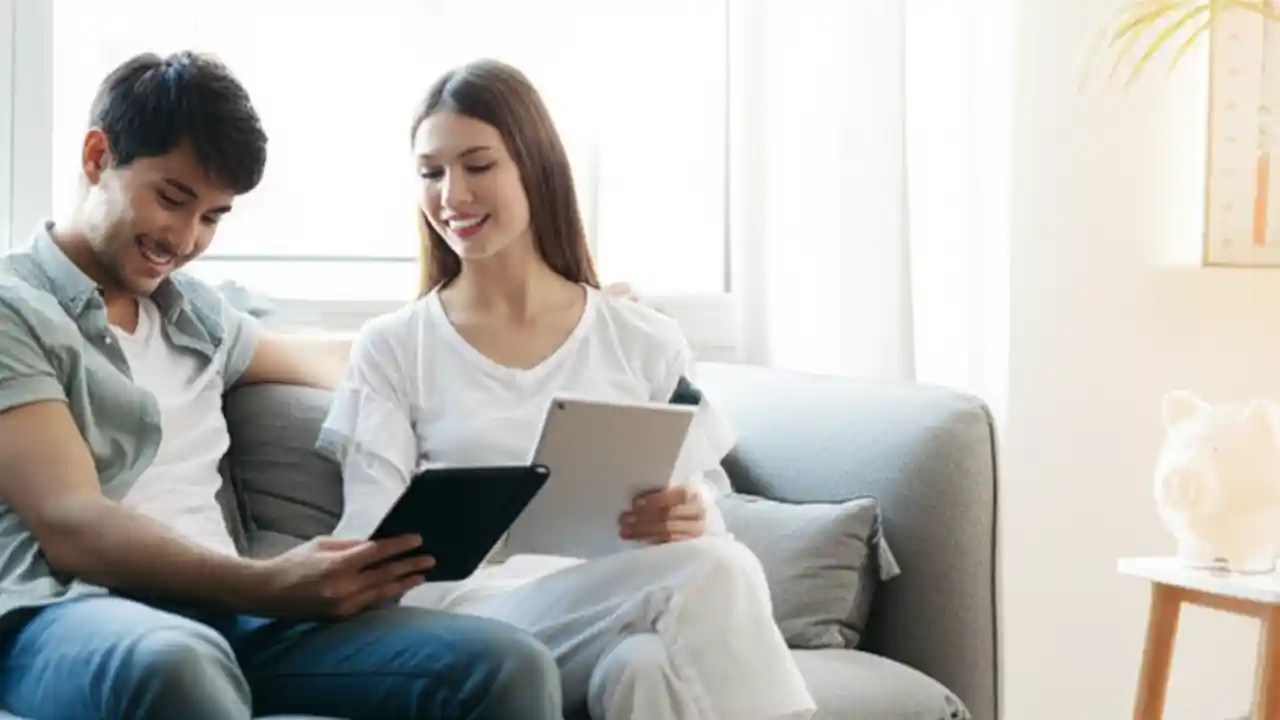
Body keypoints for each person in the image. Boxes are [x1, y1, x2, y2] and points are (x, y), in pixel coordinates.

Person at [0, 51, 562, 720]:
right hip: (67, 613)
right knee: (176, 663)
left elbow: (349, 358)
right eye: (172, 199)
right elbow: (71, 524)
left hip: (227, 615)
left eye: (212, 217)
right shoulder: (16, 310)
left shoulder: (194, 315)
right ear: (97, 157)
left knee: (504, 665)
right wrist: (265, 583)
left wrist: (557, 321)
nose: (183, 240)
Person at [318, 58, 817, 720]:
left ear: (534, 165)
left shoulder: (641, 339)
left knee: (643, 666)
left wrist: (690, 510)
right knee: (716, 572)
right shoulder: (391, 348)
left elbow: (708, 508)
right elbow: (368, 542)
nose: (452, 195)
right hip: (472, 625)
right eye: (431, 173)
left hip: (622, 608)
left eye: (477, 165)